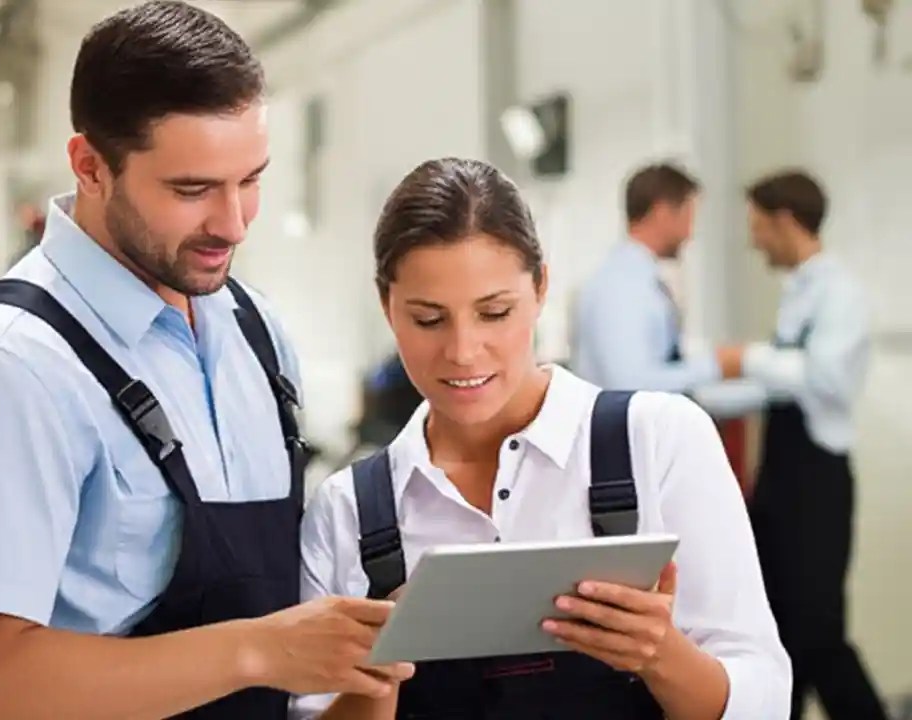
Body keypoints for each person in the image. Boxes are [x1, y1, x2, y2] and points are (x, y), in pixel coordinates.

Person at [0, 3, 410, 718]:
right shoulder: (8, 369)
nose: (232, 224)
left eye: (251, 180)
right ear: (91, 167)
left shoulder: (254, 330)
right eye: (191, 190)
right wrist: (258, 651)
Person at [294, 158, 790, 719]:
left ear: (541, 289)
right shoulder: (346, 512)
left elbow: (766, 700)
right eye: (429, 319)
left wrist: (662, 654)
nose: (463, 351)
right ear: (388, 307)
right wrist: (379, 672)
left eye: (494, 312)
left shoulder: (660, 441)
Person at [697, 170, 888, 720]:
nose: (754, 239)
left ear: (785, 222)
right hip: (780, 479)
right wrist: (698, 392)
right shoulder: (798, 293)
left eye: (758, 226)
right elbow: (774, 387)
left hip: (818, 481)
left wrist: (746, 357)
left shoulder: (840, 293)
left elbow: (825, 378)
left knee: (819, 628)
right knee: (779, 623)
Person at [572, 163, 740, 392]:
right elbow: (629, 384)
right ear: (662, 213)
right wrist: (716, 366)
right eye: (688, 216)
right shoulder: (621, 288)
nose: (690, 234)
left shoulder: (636, 281)